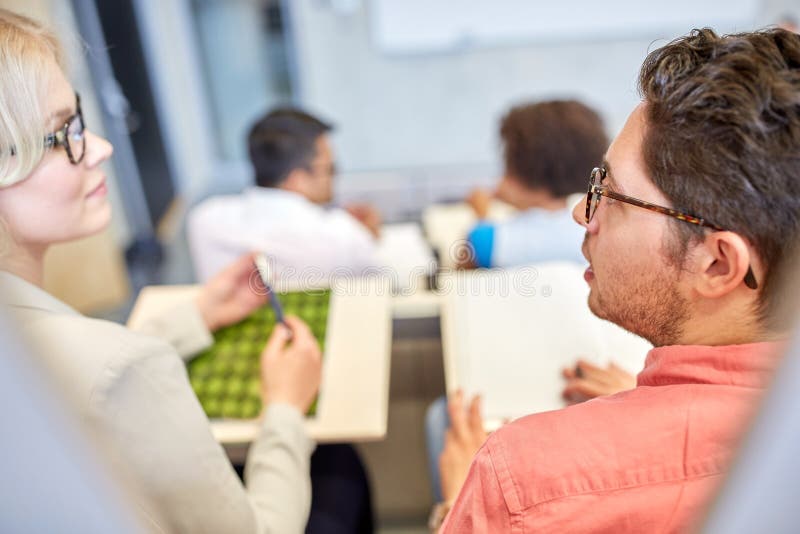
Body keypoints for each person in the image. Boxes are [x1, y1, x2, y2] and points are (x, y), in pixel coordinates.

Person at [0, 9, 368, 533]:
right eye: (66, 133)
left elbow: (69, 377)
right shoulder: (123, 367)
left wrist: (197, 314)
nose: (100, 148)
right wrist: (285, 407)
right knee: (341, 470)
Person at [437, 27, 800, 532]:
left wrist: (458, 503)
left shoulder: (521, 480)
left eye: (612, 193)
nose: (584, 218)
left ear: (718, 264)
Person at [425, 99, 612, 505]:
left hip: (511, 400)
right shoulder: (610, 223)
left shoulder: (490, 239)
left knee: (442, 415)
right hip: (601, 388)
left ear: (519, 171)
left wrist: (483, 210)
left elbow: (463, 280)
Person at [187, 108, 382, 282]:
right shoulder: (342, 239)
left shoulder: (205, 220)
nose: (334, 177)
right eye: (330, 168)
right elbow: (391, 279)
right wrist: (365, 235)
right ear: (297, 178)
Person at [463, 99, 608, 269]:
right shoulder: (597, 237)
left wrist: (481, 216)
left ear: (515, 172)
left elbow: (464, 273)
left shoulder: (486, 240)